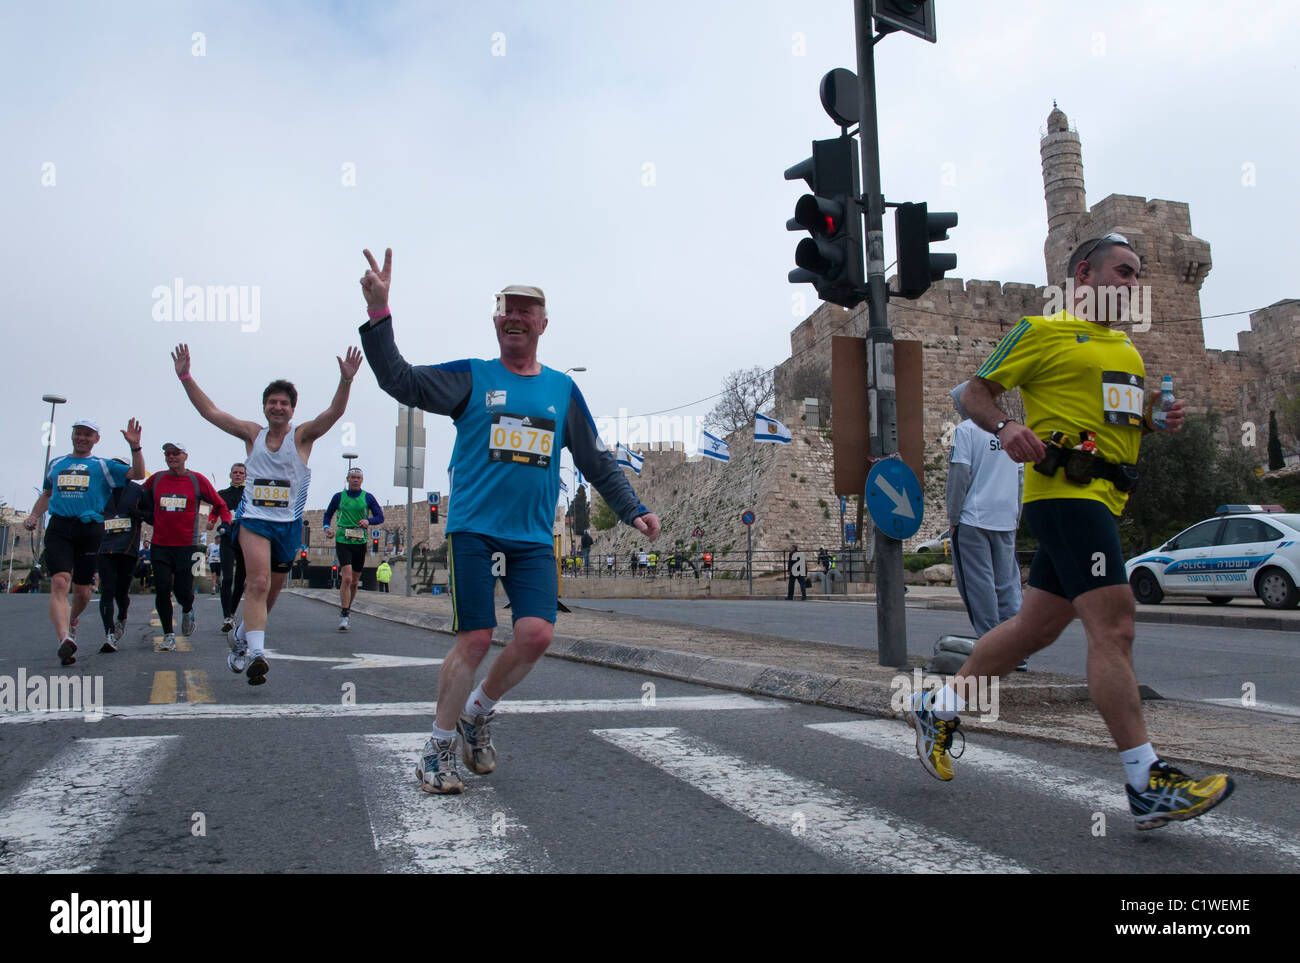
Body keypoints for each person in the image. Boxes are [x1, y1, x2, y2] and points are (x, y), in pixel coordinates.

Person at [910, 234, 1234, 831]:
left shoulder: (1127, 353)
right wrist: (1006, 426)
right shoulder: (1041, 331)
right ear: (1084, 275)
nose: (1134, 285)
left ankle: (940, 703)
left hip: (1104, 500)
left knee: (1034, 630)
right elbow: (972, 392)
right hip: (1064, 496)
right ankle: (1146, 781)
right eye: (1124, 272)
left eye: (1138, 276)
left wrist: (1156, 419)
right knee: (1115, 626)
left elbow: (1118, 417)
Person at [356, 249, 660, 794]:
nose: (516, 318)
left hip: (531, 539)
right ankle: (435, 752)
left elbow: (594, 456)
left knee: (538, 634)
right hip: (473, 529)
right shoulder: (471, 377)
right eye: (507, 310)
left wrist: (633, 507)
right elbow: (399, 380)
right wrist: (380, 315)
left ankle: (478, 711)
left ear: (543, 324)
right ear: (495, 321)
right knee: (474, 638)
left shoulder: (562, 390)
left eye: (527, 311)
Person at [171, 342, 362, 685]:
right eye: (272, 402)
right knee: (256, 583)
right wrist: (186, 376)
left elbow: (332, 414)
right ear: (264, 407)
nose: (278, 407)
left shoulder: (302, 437)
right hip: (255, 521)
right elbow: (211, 413)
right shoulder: (252, 434)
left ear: (292, 409)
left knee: (270, 594)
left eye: (284, 403)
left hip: (287, 525)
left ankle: (242, 640)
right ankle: (258, 653)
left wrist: (345, 381)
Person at [24, 418, 145, 665]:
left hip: (89, 528)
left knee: (81, 590)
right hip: (59, 526)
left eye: (87, 435)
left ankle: (72, 620)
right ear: (72, 436)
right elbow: (47, 494)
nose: (82, 438)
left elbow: (139, 474)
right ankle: (64, 639)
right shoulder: (56, 464)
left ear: (96, 439)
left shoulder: (102, 466)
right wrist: (34, 515)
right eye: (78, 433)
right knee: (59, 581)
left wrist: (135, 447)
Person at [946, 418, 1028, 671]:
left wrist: (953, 515)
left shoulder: (967, 430)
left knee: (978, 585)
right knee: (1008, 585)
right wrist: (1016, 515)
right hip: (1005, 516)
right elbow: (1021, 477)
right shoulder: (1013, 430)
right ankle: (1016, 651)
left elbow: (960, 473)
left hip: (974, 517)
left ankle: (992, 648)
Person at [141, 442, 232, 651]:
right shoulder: (156, 479)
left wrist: (225, 522)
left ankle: (188, 608)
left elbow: (220, 505)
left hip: (187, 546)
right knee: (162, 589)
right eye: (167, 454)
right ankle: (168, 635)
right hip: (160, 545)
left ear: (185, 456)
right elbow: (137, 496)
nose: (171, 457)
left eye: (176, 453)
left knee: (182, 591)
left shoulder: (197, 480)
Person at [96, 460, 152, 652]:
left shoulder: (139, 491)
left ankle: (123, 615)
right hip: (104, 547)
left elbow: (152, 516)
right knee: (107, 589)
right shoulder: (100, 488)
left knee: (121, 592)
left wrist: (138, 514)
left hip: (127, 549)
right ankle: (109, 634)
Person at [322, 467, 385, 630]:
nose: (356, 480)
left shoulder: (368, 497)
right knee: (347, 578)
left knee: (355, 582)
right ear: (348, 480)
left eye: (358, 477)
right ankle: (343, 613)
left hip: (360, 540)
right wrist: (327, 527)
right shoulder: (339, 497)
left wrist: (368, 522)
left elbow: (380, 516)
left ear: (362, 480)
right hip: (343, 538)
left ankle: (348, 609)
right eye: (353, 477)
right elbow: (327, 514)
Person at [215, 463, 248, 633]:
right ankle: (226, 615)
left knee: (240, 579)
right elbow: (215, 510)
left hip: (244, 539)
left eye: (241, 473)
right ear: (230, 475)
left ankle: (232, 612)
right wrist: (212, 522)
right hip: (227, 538)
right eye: (235, 472)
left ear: (245, 476)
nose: (237, 475)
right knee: (227, 577)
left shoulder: (248, 495)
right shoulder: (222, 494)